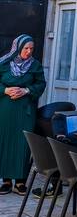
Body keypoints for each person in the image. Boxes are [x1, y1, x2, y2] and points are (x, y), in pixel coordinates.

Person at [0, 35, 47, 194]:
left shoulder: (35, 66)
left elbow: (41, 84)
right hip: (5, 110)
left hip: (25, 111)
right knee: (5, 141)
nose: (28, 51)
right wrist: (5, 90)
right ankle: (6, 180)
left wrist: (26, 90)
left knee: (24, 143)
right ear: (18, 48)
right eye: (25, 48)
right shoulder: (4, 63)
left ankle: (20, 181)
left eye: (31, 49)